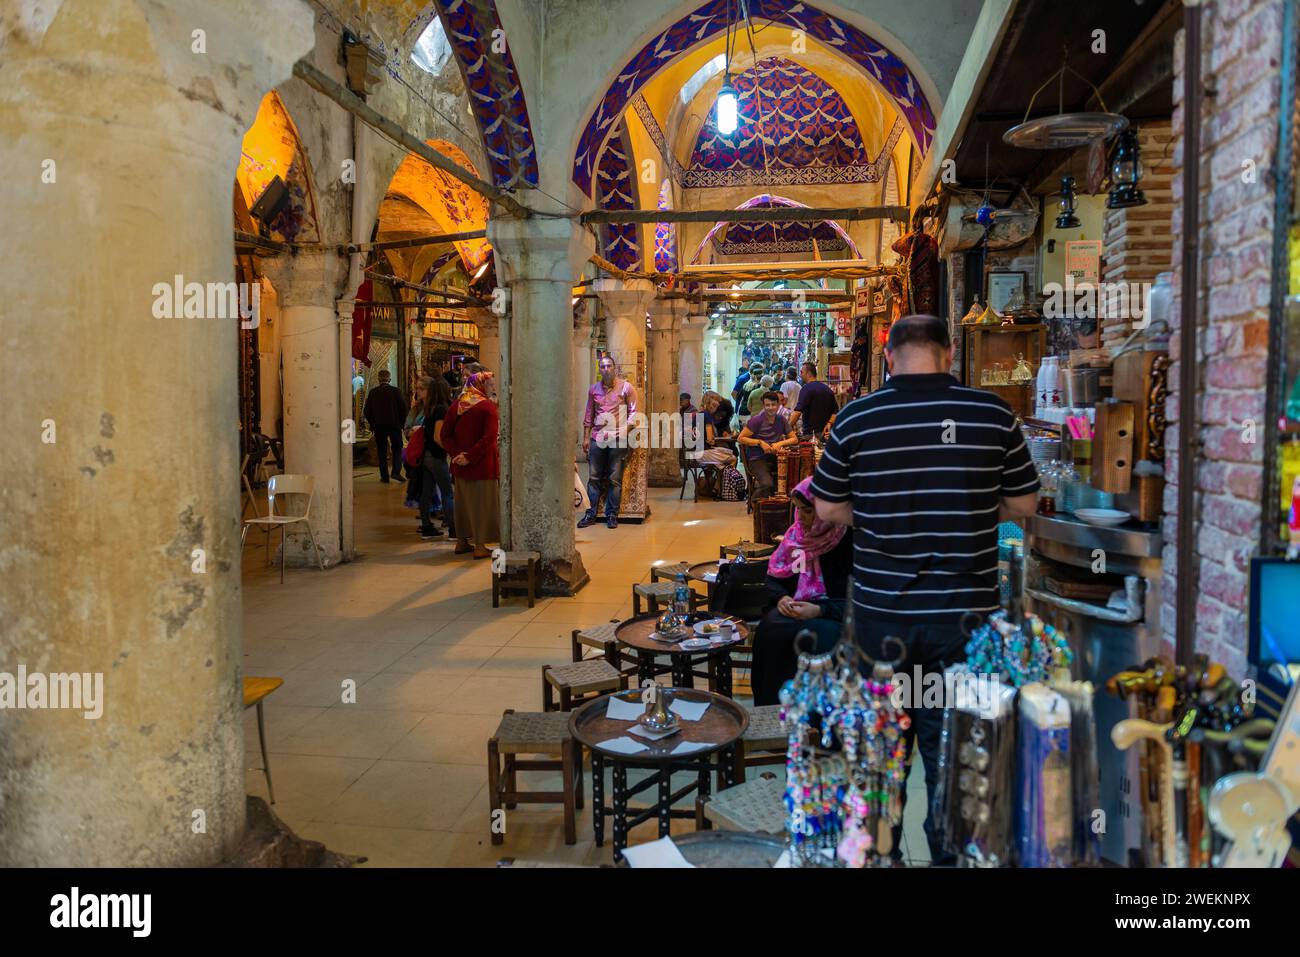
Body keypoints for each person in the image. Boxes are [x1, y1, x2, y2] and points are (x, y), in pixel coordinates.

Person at [809, 313, 1040, 863]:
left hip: (879, 620)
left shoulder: (857, 418)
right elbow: (1025, 504)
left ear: (888, 356)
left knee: (880, 756)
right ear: (951, 352)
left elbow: (826, 505)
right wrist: (971, 511)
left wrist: (886, 517)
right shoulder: (991, 413)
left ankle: (881, 854)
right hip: (965, 621)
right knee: (956, 760)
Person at [750, 479, 853, 705]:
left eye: (808, 510)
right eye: (798, 509)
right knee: (770, 631)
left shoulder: (847, 541)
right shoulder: (796, 538)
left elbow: (858, 599)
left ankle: (816, 719)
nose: (802, 517)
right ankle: (772, 710)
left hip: (833, 614)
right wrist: (782, 598)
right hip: (795, 608)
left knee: (820, 638)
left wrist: (819, 610)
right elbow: (775, 578)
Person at [441, 370, 501, 559]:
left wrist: (457, 454)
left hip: (460, 466)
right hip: (482, 465)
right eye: (490, 385)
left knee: (463, 505)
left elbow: (445, 435)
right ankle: (480, 545)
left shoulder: (457, 405)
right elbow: (489, 437)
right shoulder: (487, 407)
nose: (492, 388)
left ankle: (462, 542)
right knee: (482, 505)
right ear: (481, 385)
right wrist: (470, 456)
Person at [579, 355, 636, 529]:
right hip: (598, 437)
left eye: (609, 366)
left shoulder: (626, 387)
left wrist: (625, 432)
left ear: (614, 368)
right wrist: (586, 437)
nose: (606, 369)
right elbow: (589, 414)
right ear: (599, 369)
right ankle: (590, 514)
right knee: (594, 478)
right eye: (602, 367)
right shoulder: (593, 389)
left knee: (614, 479)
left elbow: (633, 413)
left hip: (618, 438)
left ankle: (612, 515)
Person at [737, 391, 797, 499]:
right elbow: (740, 438)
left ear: (778, 405)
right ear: (763, 406)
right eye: (767, 405)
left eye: (773, 405)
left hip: (775, 458)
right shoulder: (756, 420)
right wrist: (760, 442)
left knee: (793, 477)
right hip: (757, 460)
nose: (771, 408)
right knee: (767, 485)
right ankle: (755, 502)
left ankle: (781, 505)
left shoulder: (781, 420)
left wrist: (780, 443)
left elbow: (794, 438)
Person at [419, 378, 455, 541]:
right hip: (436, 456)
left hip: (426, 455)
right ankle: (454, 529)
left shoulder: (430, 408)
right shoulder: (441, 409)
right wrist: (452, 451)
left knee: (426, 492)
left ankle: (426, 526)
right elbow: (437, 436)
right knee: (447, 493)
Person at [363, 368, 407, 483]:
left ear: (378, 379)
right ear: (390, 379)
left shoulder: (373, 392)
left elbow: (367, 411)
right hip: (394, 425)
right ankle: (396, 472)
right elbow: (403, 409)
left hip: (379, 426)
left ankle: (384, 476)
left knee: (382, 451)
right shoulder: (396, 391)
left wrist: (373, 424)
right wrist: (401, 424)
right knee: (397, 448)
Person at [788, 361, 837, 440]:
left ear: (809, 374)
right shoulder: (827, 389)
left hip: (810, 435)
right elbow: (835, 413)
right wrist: (829, 423)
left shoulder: (806, 388)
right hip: (826, 434)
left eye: (802, 372)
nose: (800, 375)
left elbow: (797, 412)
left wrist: (787, 428)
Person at [403, 378, 431, 510]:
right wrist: (412, 432)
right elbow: (407, 428)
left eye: (421, 389)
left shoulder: (435, 409)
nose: (418, 391)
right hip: (417, 451)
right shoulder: (415, 409)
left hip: (430, 450)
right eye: (417, 388)